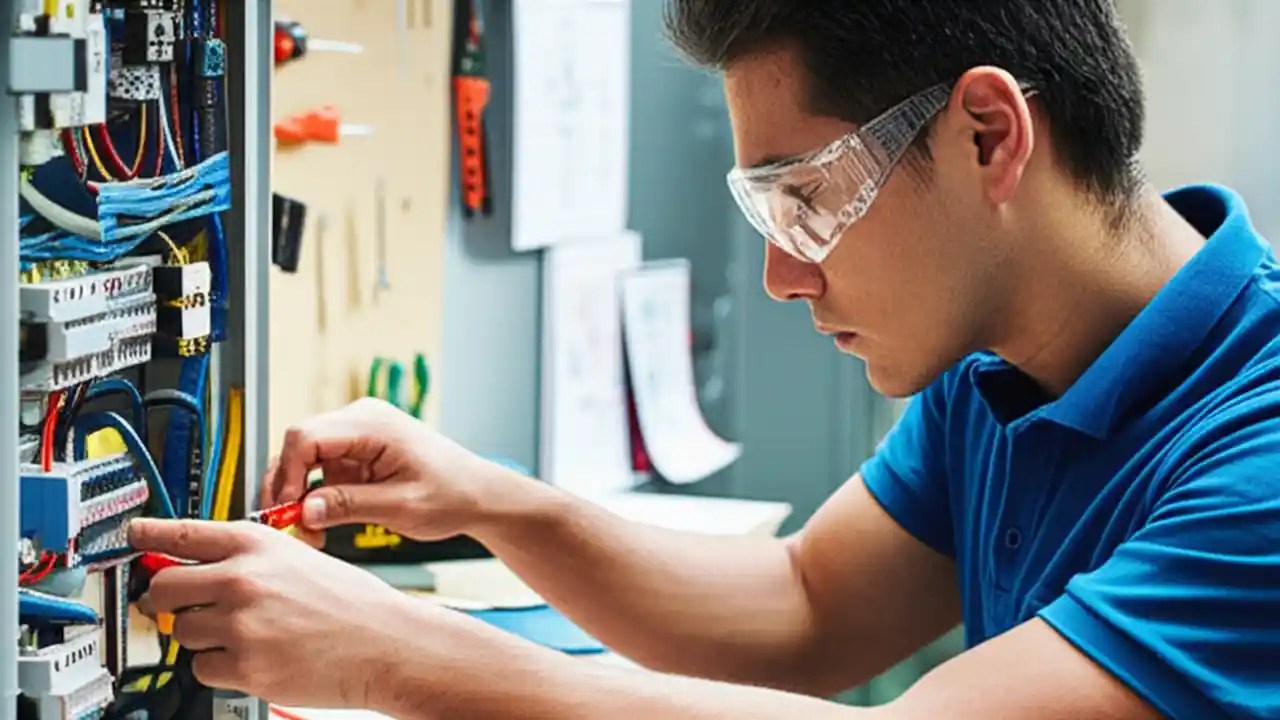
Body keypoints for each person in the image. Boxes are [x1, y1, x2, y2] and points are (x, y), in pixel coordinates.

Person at [129, 0, 1280, 717]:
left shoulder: (1258, 455)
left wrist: (398, 659)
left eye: (807, 199)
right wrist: (496, 504)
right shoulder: (998, 366)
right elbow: (805, 606)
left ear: (987, 135)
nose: (784, 276)